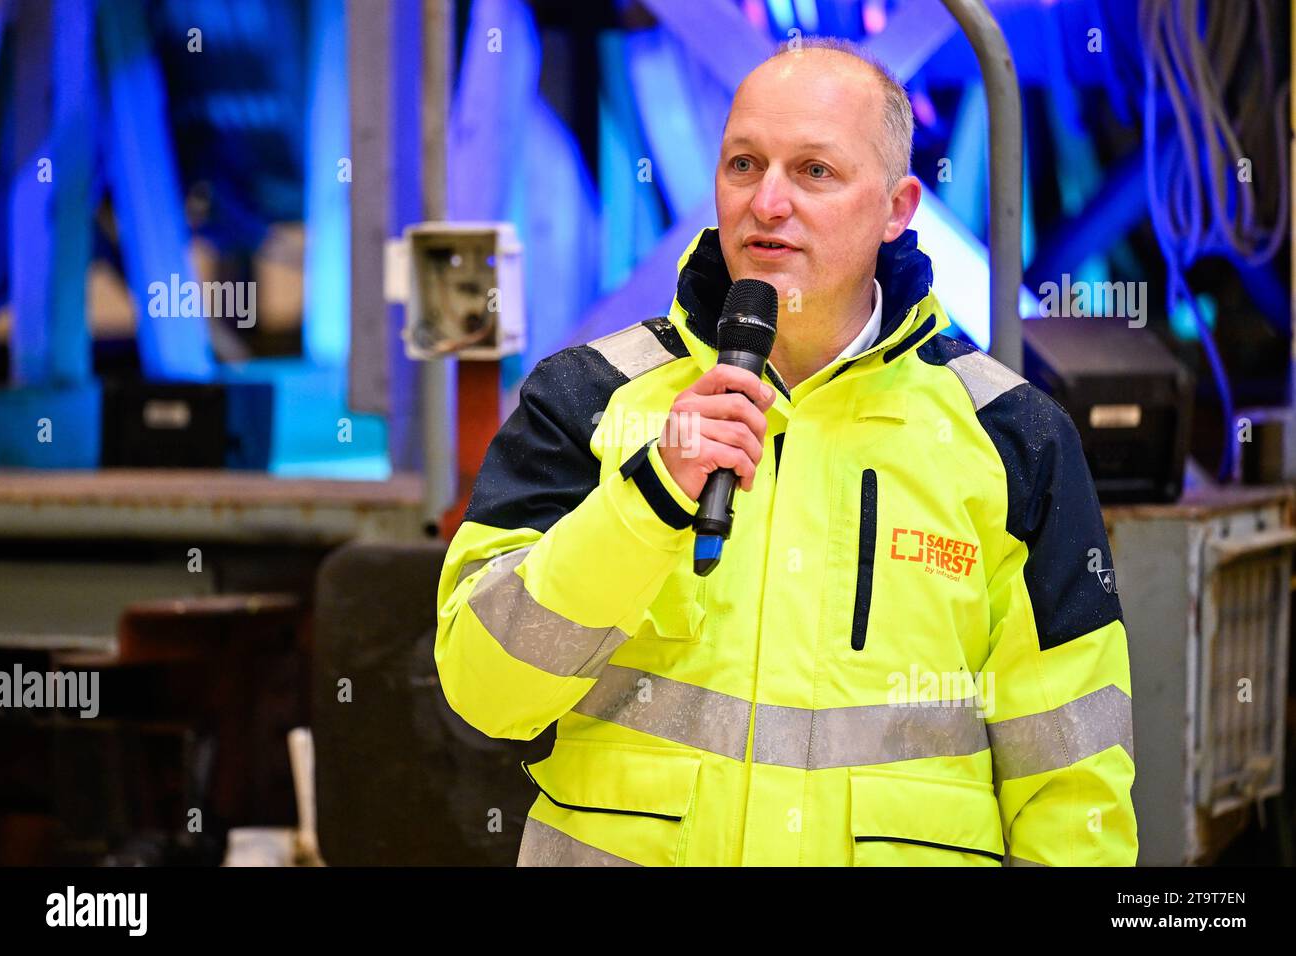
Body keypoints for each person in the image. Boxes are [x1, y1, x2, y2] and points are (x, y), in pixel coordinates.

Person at [435, 36, 1137, 866]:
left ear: (897, 208)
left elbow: (1072, 780)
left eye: (814, 171)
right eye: (743, 165)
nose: (768, 202)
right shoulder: (586, 397)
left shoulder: (1014, 438)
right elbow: (485, 693)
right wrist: (646, 503)